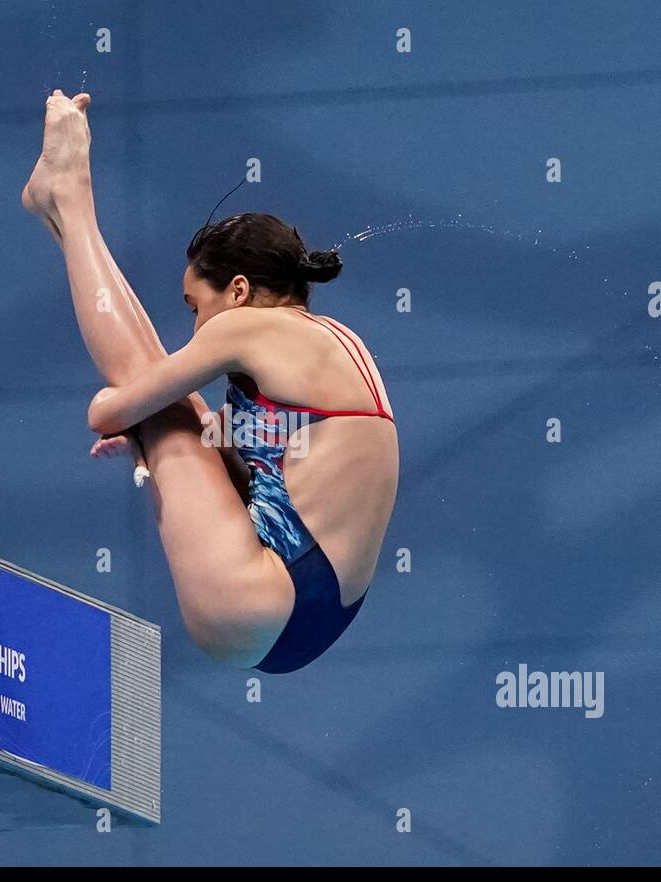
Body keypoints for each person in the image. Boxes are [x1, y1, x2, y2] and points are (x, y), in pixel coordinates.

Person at [22, 90, 397, 673]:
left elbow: (110, 409)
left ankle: (70, 198)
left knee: (165, 401)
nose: (195, 324)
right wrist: (154, 432)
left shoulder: (249, 328)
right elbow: (270, 474)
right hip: (312, 618)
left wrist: (119, 408)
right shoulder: (340, 344)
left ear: (240, 291)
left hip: (261, 597)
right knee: (185, 414)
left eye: (195, 306)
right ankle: (62, 208)